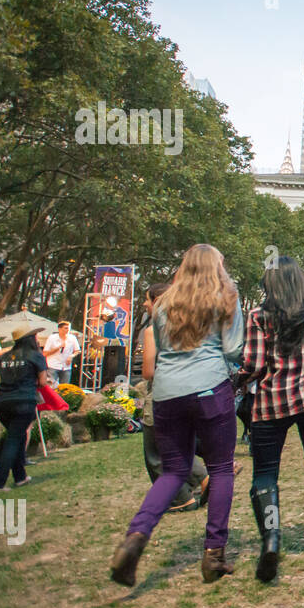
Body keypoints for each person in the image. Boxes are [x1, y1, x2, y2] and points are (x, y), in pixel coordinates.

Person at [109, 244, 243, 587]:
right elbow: (233, 349)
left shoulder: (164, 302)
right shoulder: (225, 297)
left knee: (173, 472)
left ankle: (136, 536)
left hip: (167, 395)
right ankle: (214, 553)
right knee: (221, 468)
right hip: (210, 389)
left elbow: (163, 350)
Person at [240, 256, 304, 582]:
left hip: (270, 401)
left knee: (266, 474)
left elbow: (253, 364)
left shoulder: (258, 316)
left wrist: (234, 383)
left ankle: (271, 539)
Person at [137, 283, 207, 512]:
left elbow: (148, 371)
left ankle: (180, 498)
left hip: (161, 394)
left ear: (157, 300)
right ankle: (204, 480)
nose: (145, 304)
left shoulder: (152, 331)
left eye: (147, 300)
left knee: (155, 451)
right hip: (186, 392)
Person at [0, 324, 50, 491]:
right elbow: (43, 382)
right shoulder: (36, 357)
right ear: (30, 339)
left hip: (2, 403)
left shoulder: (3, 358)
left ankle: (20, 477)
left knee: (17, 437)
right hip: (24, 400)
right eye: (35, 337)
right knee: (13, 440)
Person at [41, 321, 79, 386]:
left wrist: (71, 356)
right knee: (51, 386)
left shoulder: (72, 338)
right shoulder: (52, 338)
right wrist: (59, 347)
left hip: (66, 367)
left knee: (65, 387)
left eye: (69, 328)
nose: (68, 330)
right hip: (53, 365)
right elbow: (45, 353)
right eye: (66, 328)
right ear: (59, 329)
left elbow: (77, 350)